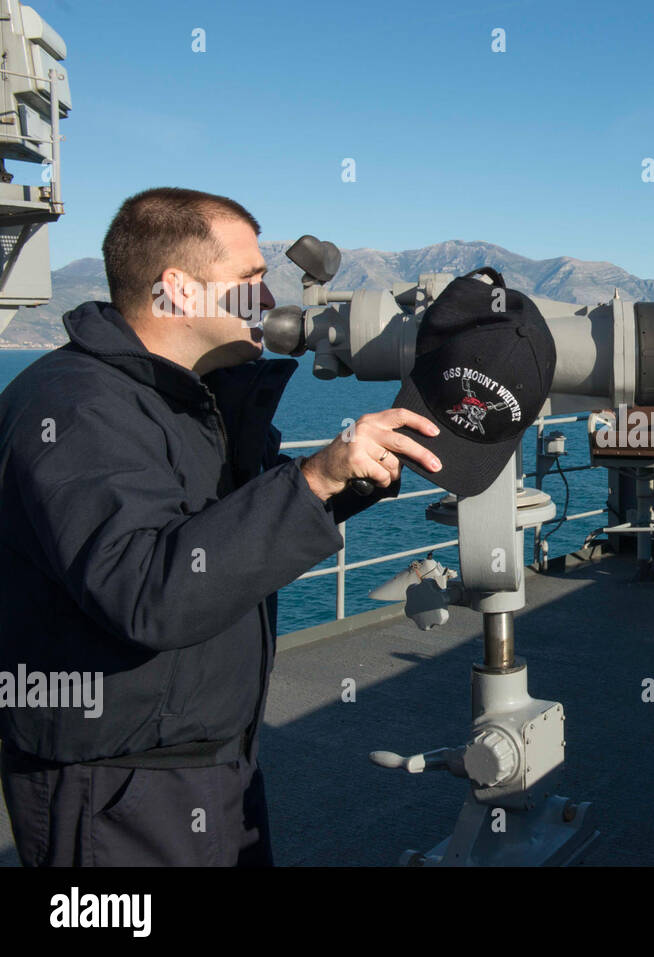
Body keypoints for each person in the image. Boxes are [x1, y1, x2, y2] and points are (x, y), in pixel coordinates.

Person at [0, 186, 443, 866]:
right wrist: (313, 479)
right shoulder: (75, 407)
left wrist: (349, 478)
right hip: (115, 790)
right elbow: (145, 589)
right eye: (249, 282)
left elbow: (228, 539)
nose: (268, 303)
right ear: (177, 289)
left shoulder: (183, 399)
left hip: (205, 766)